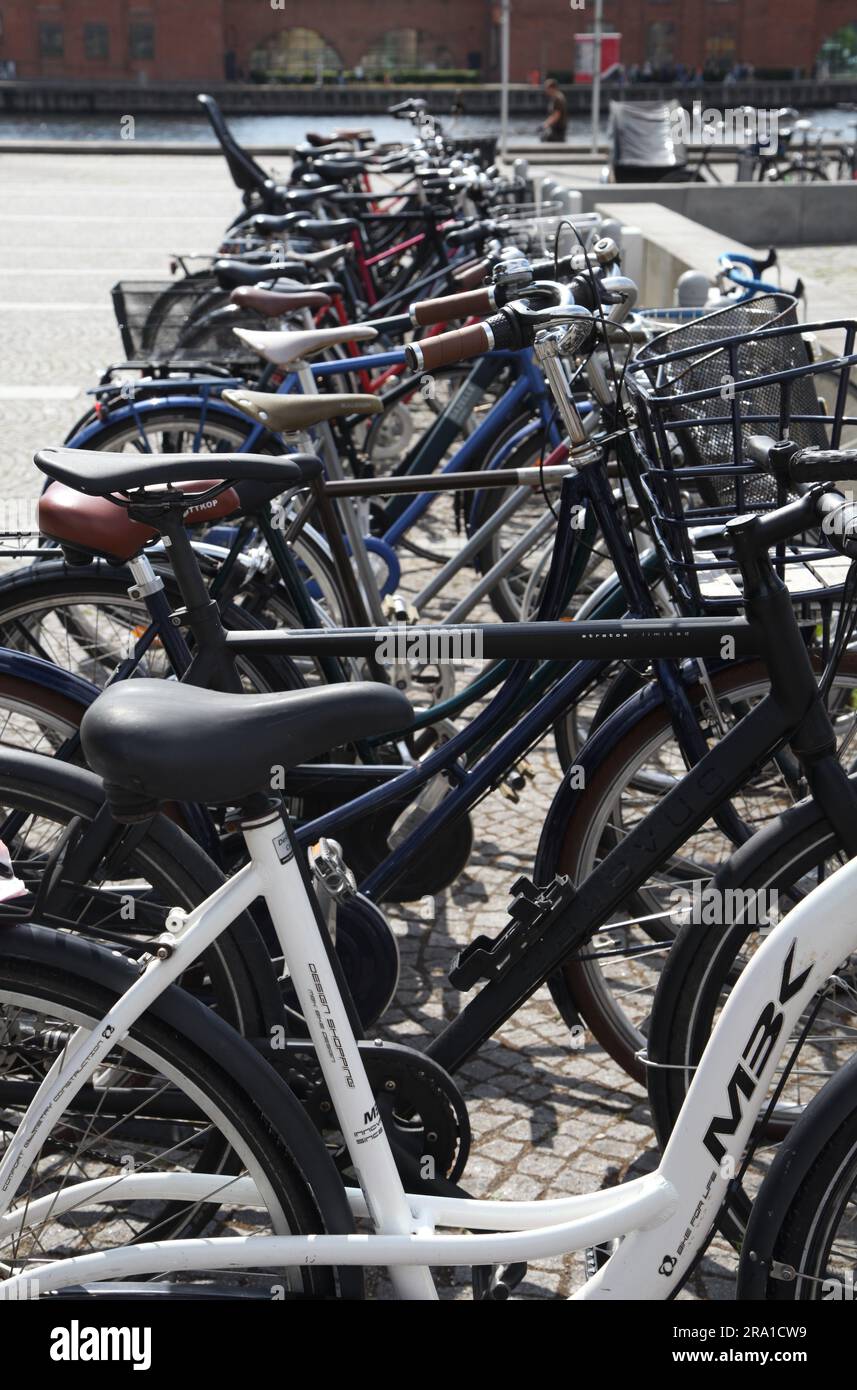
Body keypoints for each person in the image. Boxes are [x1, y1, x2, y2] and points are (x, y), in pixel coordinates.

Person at [540, 77, 567, 143]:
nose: (546, 90)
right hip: (558, 129)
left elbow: (556, 114)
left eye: (547, 88)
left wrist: (544, 125)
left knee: (545, 138)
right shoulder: (557, 97)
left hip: (558, 130)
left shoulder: (558, 99)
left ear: (552, 88)